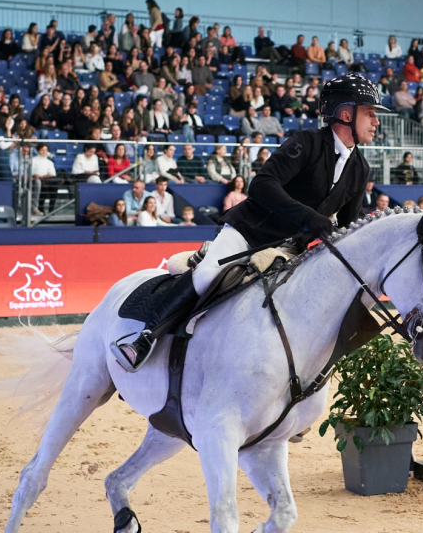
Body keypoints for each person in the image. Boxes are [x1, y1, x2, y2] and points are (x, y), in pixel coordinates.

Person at [110, 73, 390, 372]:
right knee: (207, 274)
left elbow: (348, 229)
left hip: (292, 250)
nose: (376, 122)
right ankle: (145, 338)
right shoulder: (305, 143)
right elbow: (262, 185)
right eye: (370, 113)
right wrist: (309, 217)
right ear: (346, 114)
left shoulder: (360, 168)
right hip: (250, 231)